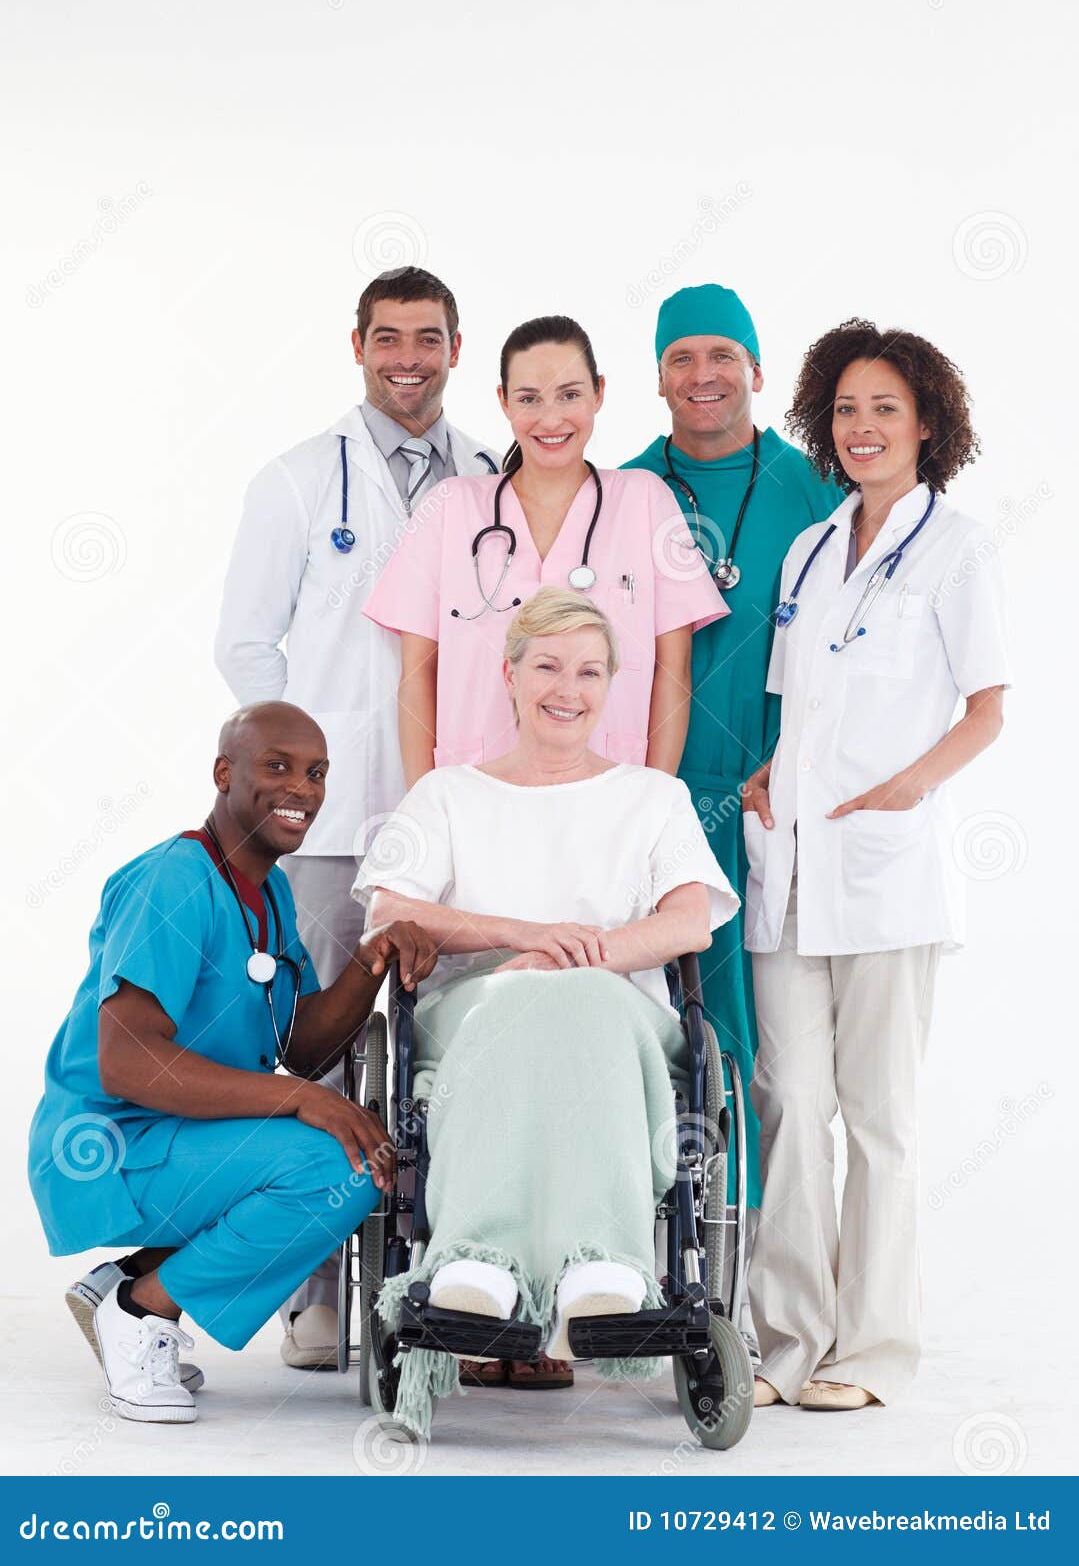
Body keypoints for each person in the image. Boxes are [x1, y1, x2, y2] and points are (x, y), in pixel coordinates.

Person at [353, 588, 739, 1435]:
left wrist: (579, 956)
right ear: (509, 675)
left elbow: (689, 920)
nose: (568, 689)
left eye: (589, 672)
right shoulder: (448, 794)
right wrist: (523, 938)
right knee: (520, 999)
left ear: (611, 684)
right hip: (477, 1015)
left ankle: (597, 1267)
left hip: (617, 1019)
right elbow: (388, 908)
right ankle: (479, 1265)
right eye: (548, 667)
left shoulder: (651, 796)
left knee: (577, 1000)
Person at [214, 265, 496, 1366]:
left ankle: (458, 1281)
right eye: (388, 338)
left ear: (455, 347)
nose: (407, 359)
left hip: (455, 811)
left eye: (427, 338)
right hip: (328, 829)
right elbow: (246, 645)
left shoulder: (489, 477)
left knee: (456, 1044)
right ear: (358, 345)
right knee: (317, 1052)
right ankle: (315, 1294)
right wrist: (297, 767)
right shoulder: (296, 481)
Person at [27, 702, 437, 1424]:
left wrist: (370, 961)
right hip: (109, 1143)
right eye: (277, 766)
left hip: (177, 1138)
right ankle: (140, 1309)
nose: (302, 789)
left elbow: (300, 1047)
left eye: (316, 773)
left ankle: (129, 1281)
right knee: (339, 1166)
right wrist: (301, 1100)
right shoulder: (172, 880)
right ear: (224, 773)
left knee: (350, 1156)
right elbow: (128, 1065)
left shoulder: (269, 891)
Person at [742, 319, 1009, 1411]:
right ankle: (787, 1342)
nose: (861, 427)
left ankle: (868, 1351)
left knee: (878, 1119)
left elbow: (986, 710)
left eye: (884, 409)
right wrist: (768, 774)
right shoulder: (810, 549)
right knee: (789, 1109)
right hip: (791, 865)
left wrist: (906, 788)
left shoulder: (958, 547)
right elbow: (796, 704)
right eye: (845, 408)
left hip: (886, 871)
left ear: (926, 424)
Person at [623, 283, 844, 1243]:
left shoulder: (816, 490)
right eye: (681, 357)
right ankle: (654, 1253)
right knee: (669, 1042)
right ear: (657, 376)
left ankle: (749, 1262)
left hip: (776, 806)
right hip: (653, 806)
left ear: (756, 367)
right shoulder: (624, 491)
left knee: (775, 1058)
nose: (702, 374)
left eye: (722, 355)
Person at [364, 315, 726, 786]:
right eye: (529, 398)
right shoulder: (449, 508)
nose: (551, 419)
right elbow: (416, 676)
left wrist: (653, 802)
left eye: (570, 395)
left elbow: (673, 672)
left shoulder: (645, 501)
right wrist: (425, 805)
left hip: (610, 793)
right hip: (473, 791)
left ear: (599, 392)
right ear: (504, 401)